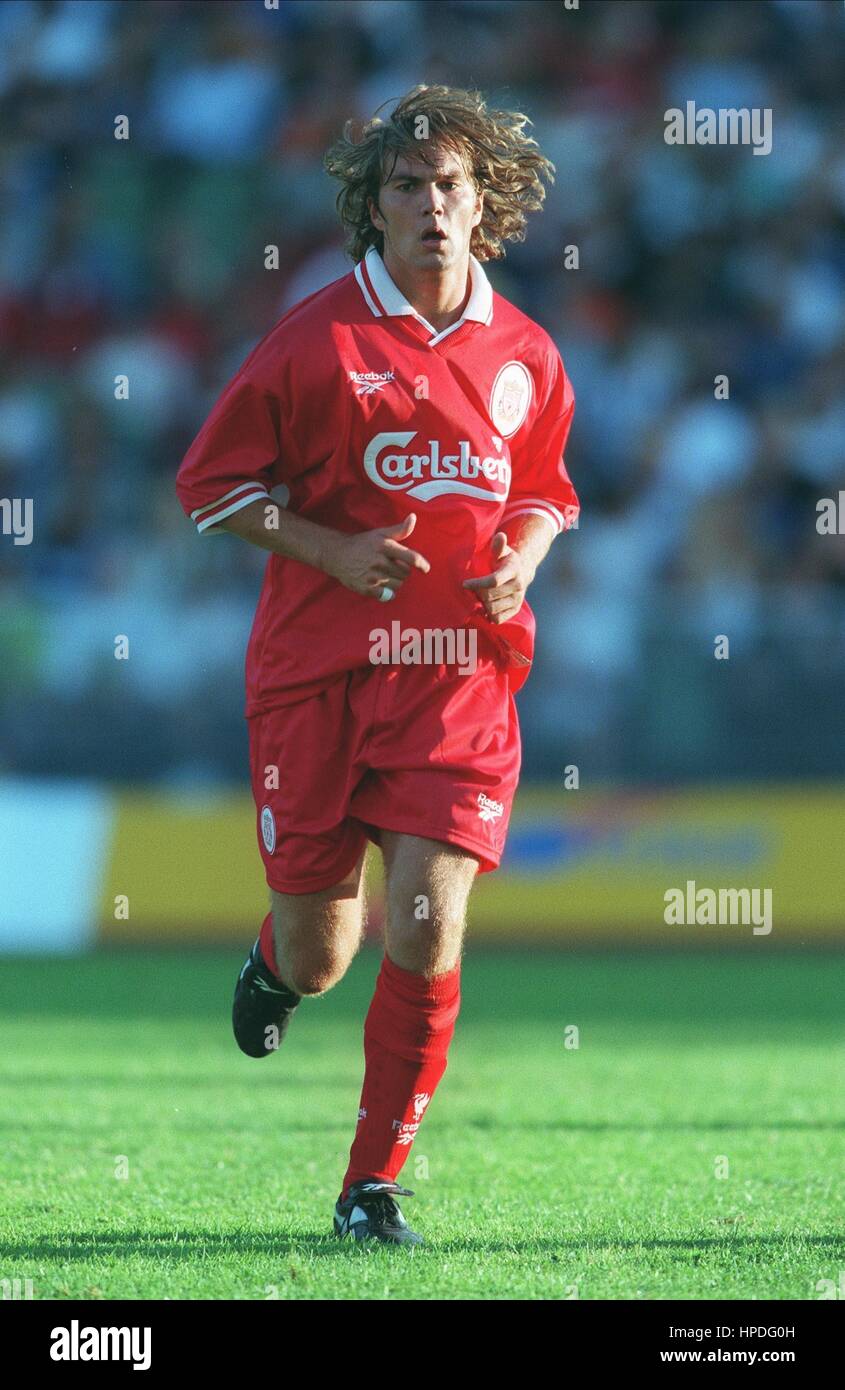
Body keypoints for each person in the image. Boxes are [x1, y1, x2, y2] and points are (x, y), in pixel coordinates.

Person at [175, 83, 578, 1247]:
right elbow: (210, 489)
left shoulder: (526, 355)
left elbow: (548, 490)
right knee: (323, 949)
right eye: (408, 186)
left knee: (424, 922)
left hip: (457, 673)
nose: (432, 207)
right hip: (317, 675)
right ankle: (271, 966)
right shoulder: (314, 340)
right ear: (375, 206)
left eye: (452, 185)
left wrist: (523, 557)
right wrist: (327, 549)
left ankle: (368, 1186)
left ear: (484, 202)